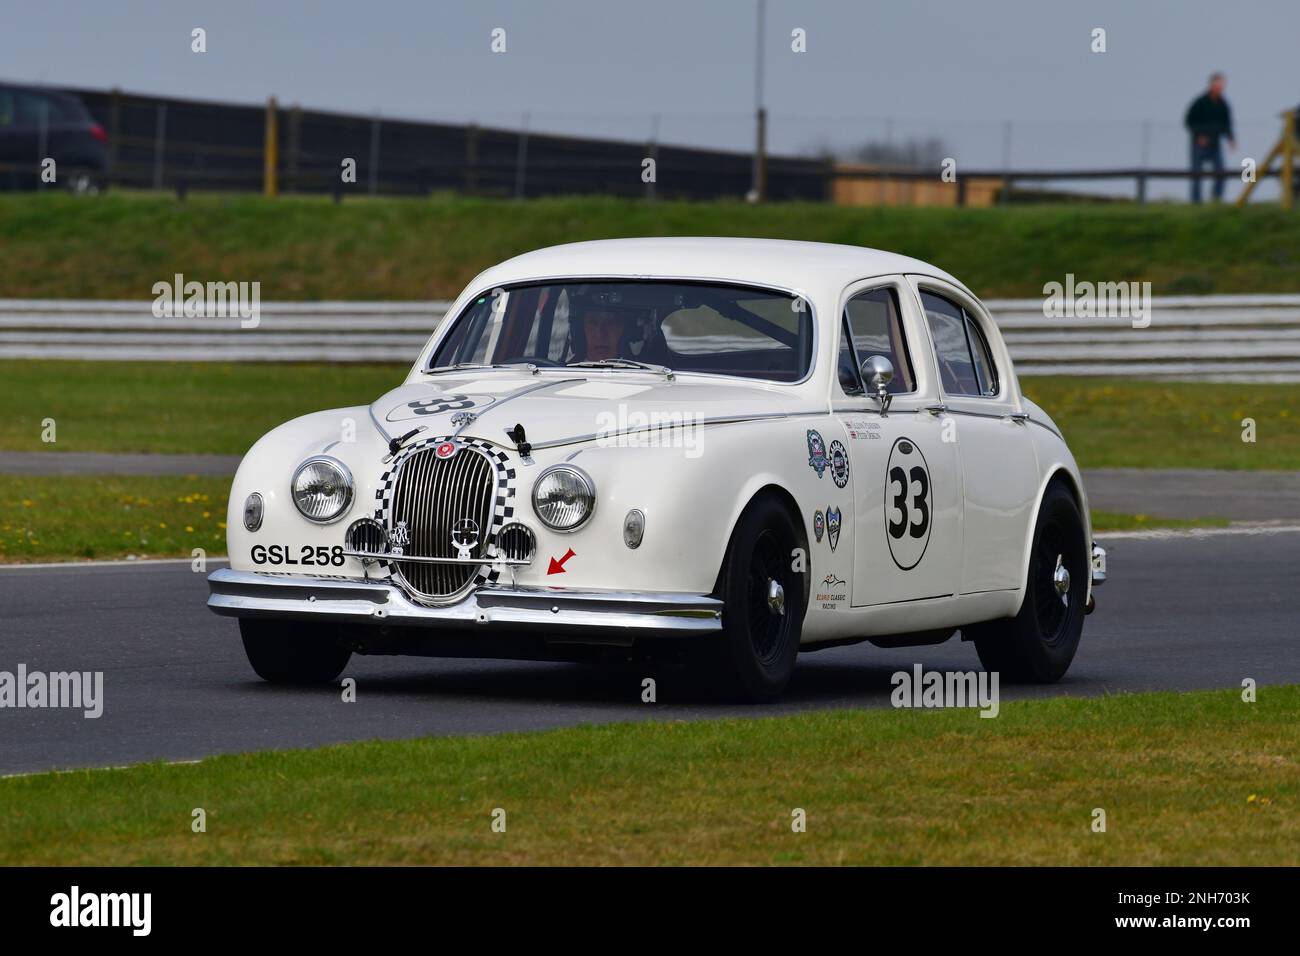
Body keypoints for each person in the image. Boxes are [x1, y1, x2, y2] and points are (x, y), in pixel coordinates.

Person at [1184, 73, 1236, 203]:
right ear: (1211, 85)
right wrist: (1199, 136)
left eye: (1222, 85)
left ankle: (1216, 200)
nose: (1220, 88)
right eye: (1218, 85)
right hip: (1198, 146)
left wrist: (1231, 138)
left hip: (1215, 145)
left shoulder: (1223, 104)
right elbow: (1189, 121)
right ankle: (1195, 204)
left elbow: (1227, 123)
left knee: (1221, 173)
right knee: (1197, 175)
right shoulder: (1200, 102)